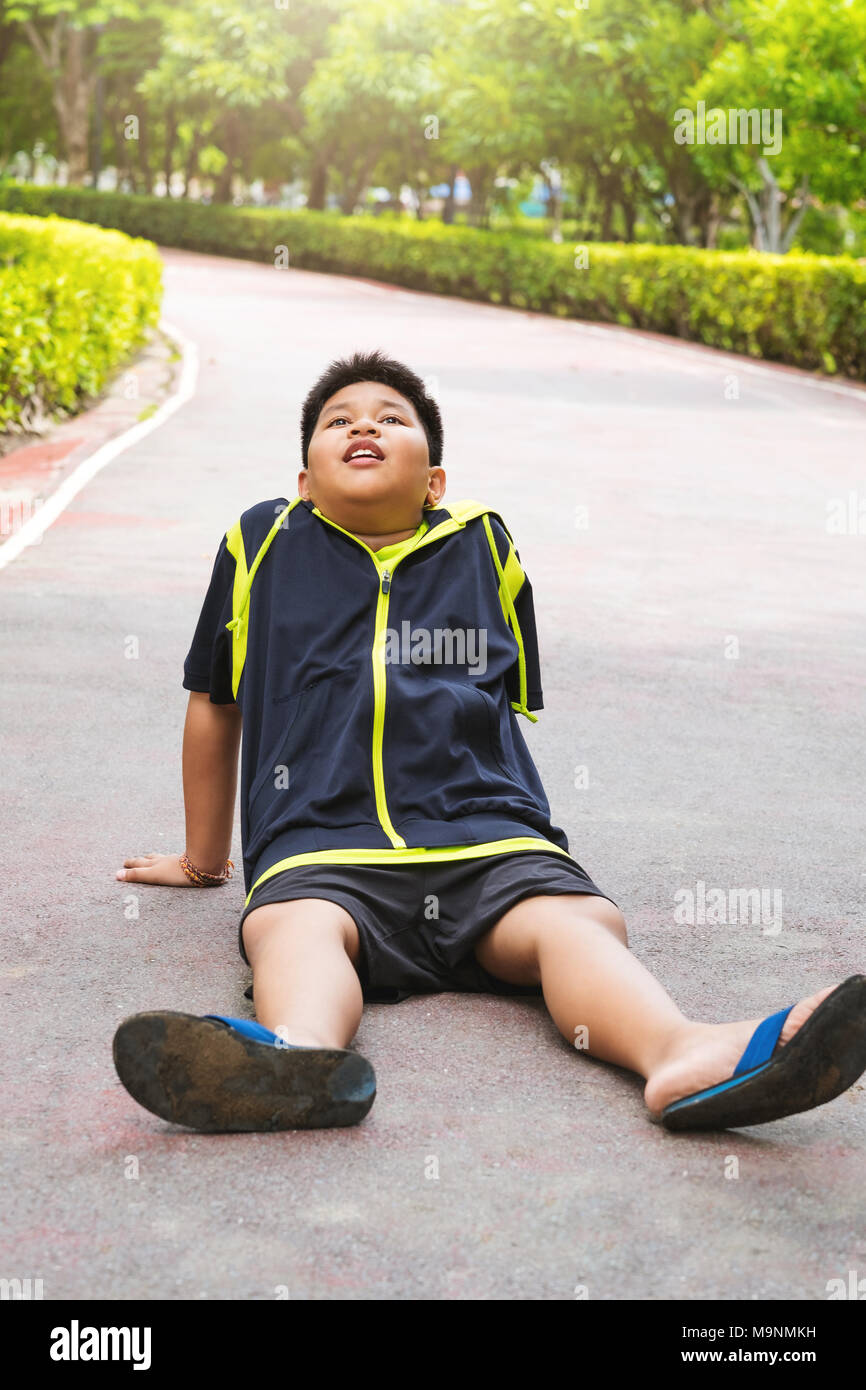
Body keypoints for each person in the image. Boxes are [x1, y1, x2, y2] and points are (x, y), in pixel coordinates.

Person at [112, 349, 866, 1135]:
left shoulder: (484, 548)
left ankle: (678, 1052)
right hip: (321, 845)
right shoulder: (260, 543)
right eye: (338, 420)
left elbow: (502, 702)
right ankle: (292, 1058)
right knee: (292, 931)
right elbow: (214, 701)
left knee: (570, 923)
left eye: (391, 419)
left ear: (435, 481)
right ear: (304, 482)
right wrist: (204, 861)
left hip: (485, 838)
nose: (363, 424)